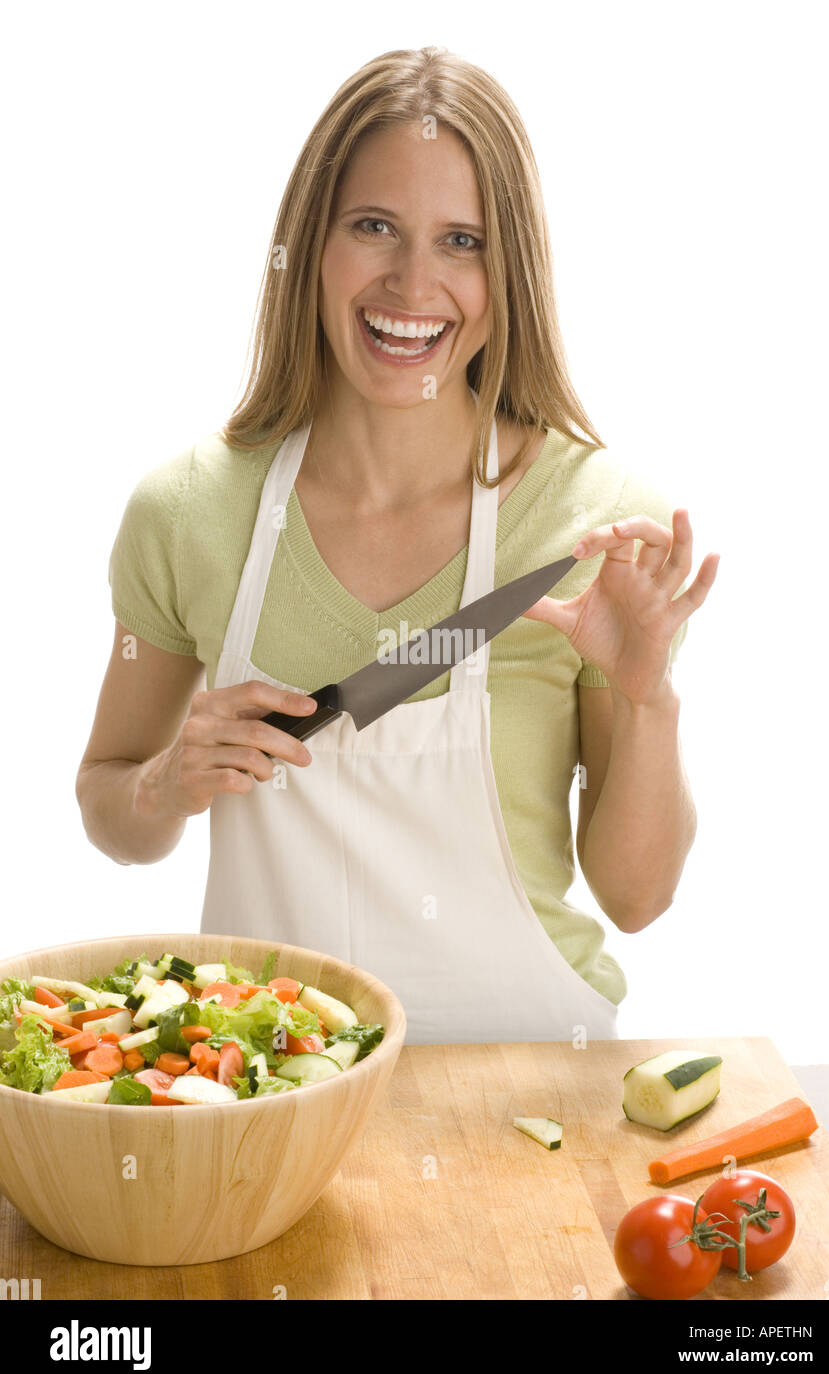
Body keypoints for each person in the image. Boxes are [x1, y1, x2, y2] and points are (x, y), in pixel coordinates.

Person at [76, 46, 719, 1045]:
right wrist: (166, 782)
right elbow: (112, 811)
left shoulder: (593, 521)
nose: (413, 284)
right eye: (372, 226)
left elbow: (636, 898)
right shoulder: (190, 511)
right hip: (277, 1100)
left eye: (462, 241)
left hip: (532, 1088)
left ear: (508, 272)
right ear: (310, 244)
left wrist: (645, 697)